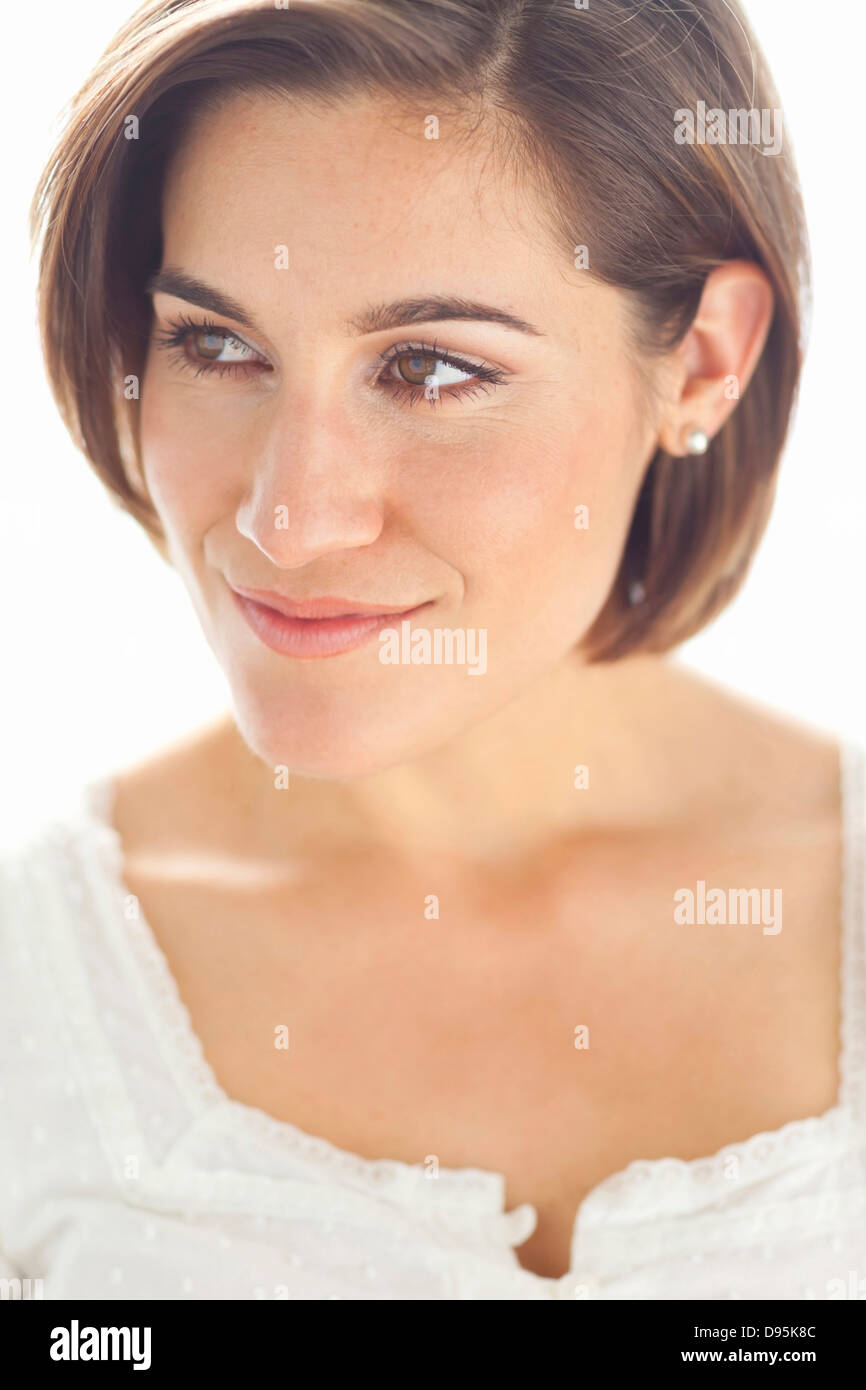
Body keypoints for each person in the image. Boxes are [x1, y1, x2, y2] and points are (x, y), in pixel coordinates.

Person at [2, 0, 863, 1300]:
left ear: (700, 362)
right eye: (216, 346)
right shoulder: (36, 995)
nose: (286, 522)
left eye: (430, 372)